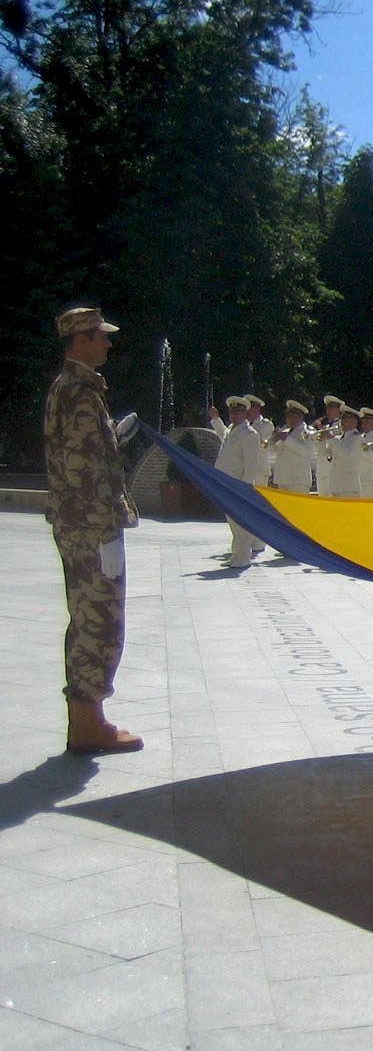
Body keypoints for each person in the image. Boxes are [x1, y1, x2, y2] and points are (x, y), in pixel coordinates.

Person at [45, 307, 143, 753]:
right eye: (101, 337)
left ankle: (87, 718)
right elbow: (83, 468)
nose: (107, 343)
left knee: (87, 617)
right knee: (98, 622)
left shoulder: (73, 389)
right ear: (81, 340)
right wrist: (107, 528)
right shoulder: (80, 392)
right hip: (92, 527)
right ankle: (88, 724)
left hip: (79, 524)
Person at [214, 395, 264, 567]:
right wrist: (215, 419)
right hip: (225, 482)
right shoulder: (231, 430)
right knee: (232, 521)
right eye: (232, 411)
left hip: (237, 484)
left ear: (245, 413)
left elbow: (250, 465)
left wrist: (244, 487)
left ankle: (243, 556)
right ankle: (237, 553)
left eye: (239, 412)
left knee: (240, 522)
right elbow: (223, 439)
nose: (235, 415)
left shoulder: (250, 434)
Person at [268, 399, 316, 494]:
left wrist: (287, 440)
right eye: (288, 417)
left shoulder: (307, 431)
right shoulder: (285, 431)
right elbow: (271, 450)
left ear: (301, 417)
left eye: (294, 417)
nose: (290, 419)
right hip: (283, 478)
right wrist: (273, 439)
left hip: (298, 480)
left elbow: (306, 452)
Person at [320, 405, 363, 498]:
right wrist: (320, 440)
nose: (341, 422)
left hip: (349, 487)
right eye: (342, 418)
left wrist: (331, 438)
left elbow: (347, 454)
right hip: (335, 485)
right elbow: (323, 453)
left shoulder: (357, 438)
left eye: (345, 419)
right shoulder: (339, 438)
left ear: (353, 422)